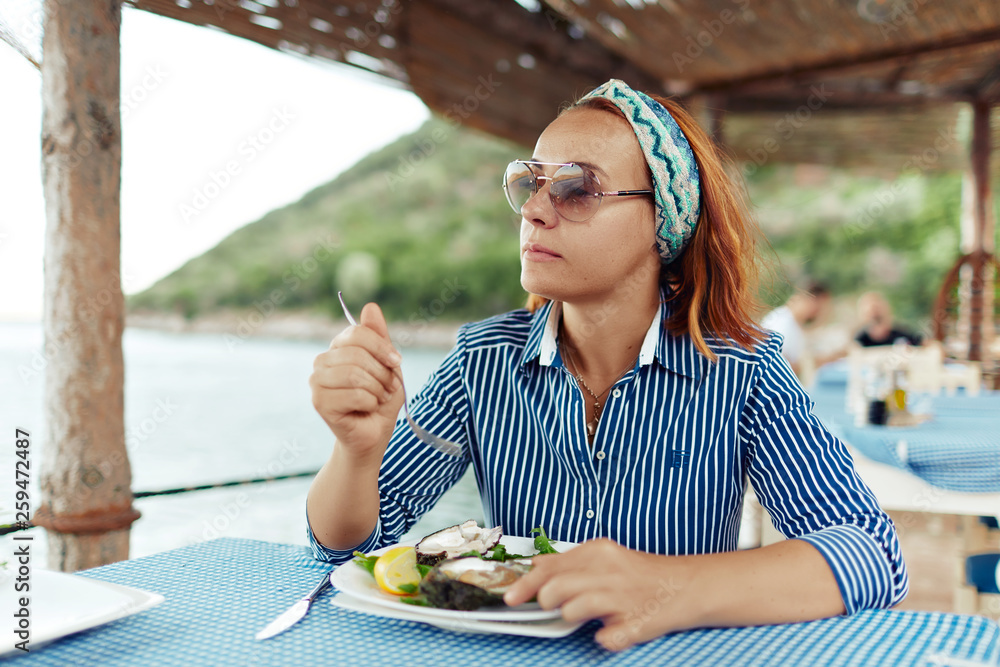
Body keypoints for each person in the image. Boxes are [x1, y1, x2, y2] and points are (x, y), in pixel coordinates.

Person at [306, 79, 907, 651]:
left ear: (661, 223)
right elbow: (347, 550)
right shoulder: (481, 361)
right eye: (531, 183)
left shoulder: (740, 372)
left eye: (576, 188)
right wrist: (356, 452)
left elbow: (873, 554)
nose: (535, 210)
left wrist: (669, 588)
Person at [760, 281, 837, 377]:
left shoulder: (792, 322)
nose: (821, 312)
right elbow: (776, 368)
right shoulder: (783, 324)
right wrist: (816, 362)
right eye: (822, 307)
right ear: (812, 301)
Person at [855, 291, 922, 347]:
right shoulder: (859, 340)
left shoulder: (902, 333)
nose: (875, 313)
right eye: (870, 310)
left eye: (877, 308)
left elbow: (923, 344)